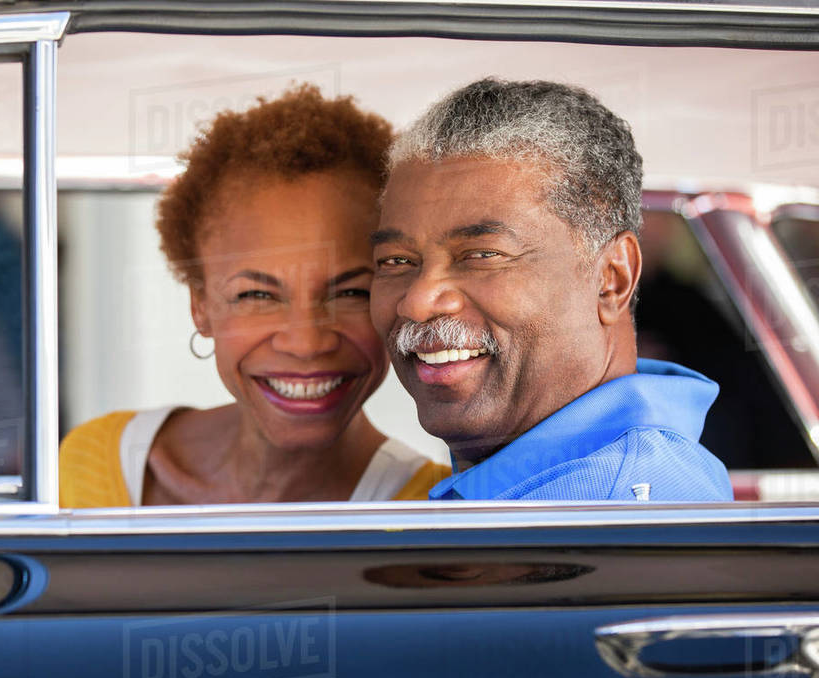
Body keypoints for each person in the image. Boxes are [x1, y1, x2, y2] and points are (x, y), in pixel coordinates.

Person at [61, 85, 450, 507]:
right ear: (201, 306)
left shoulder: (427, 510)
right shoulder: (95, 462)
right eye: (257, 295)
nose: (305, 344)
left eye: (352, 292)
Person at [370, 78, 732, 501]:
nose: (417, 301)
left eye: (482, 255)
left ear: (611, 279)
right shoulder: (584, 493)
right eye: (396, 261)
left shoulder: (600, 513)